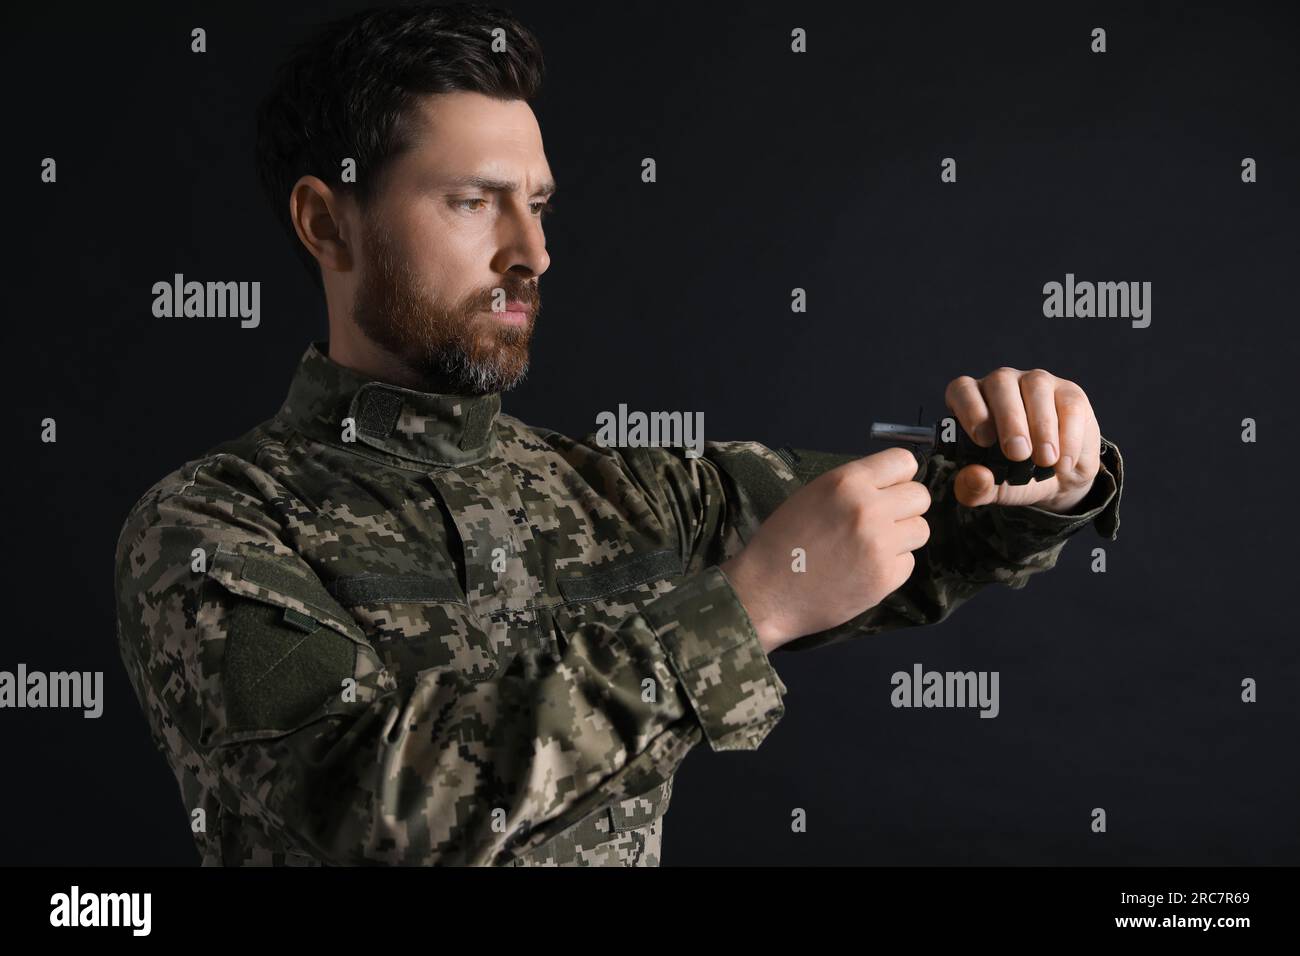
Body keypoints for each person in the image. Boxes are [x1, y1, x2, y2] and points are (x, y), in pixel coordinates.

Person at [114, 1, 1123, 866]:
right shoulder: (210, 525)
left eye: (540, 205)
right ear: (327, 224)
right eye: (473, 202)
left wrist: (1047, 466)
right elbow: (364, 807)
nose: (534, 253)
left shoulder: (627, 491)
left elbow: (911, 527)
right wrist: (746, 608)